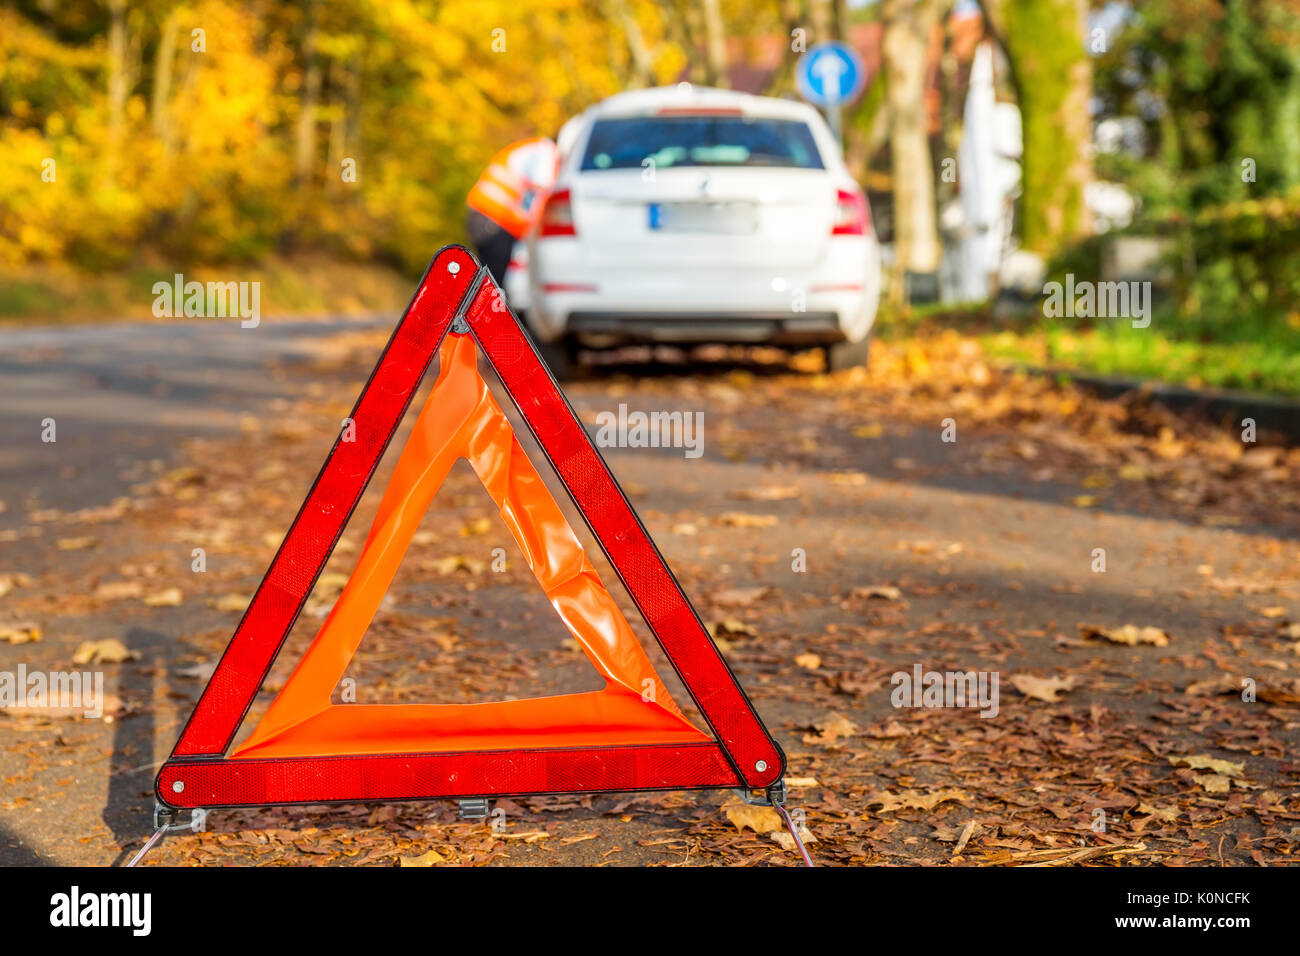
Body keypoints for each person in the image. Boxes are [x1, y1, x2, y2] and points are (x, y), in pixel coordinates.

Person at [465, 136, 559, 285]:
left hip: (486, 217)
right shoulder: (545, 152)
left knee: (489, 282)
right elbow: (541, 187)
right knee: (492, 284)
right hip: (494, 220)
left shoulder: (533, 148)